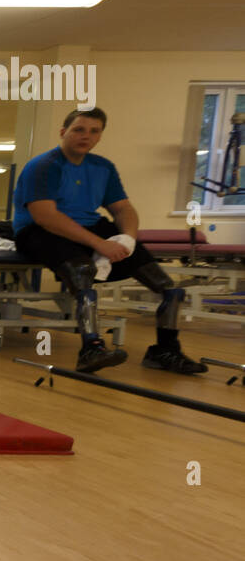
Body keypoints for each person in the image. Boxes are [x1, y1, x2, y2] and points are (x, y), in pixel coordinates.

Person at [12, 107, 206, 375]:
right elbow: (46, 217)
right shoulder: (44, 166)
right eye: (78, 129)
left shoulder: (103, 167)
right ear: (63, 132)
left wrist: (127, 239)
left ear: (100, 136)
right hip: (38, 231)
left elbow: (123, 210)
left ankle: (165, 350)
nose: (86, 136)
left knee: (168, 287)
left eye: (94, 131)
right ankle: (91, 348)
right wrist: (100, 245)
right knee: (82, 272)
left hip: (89, 226)